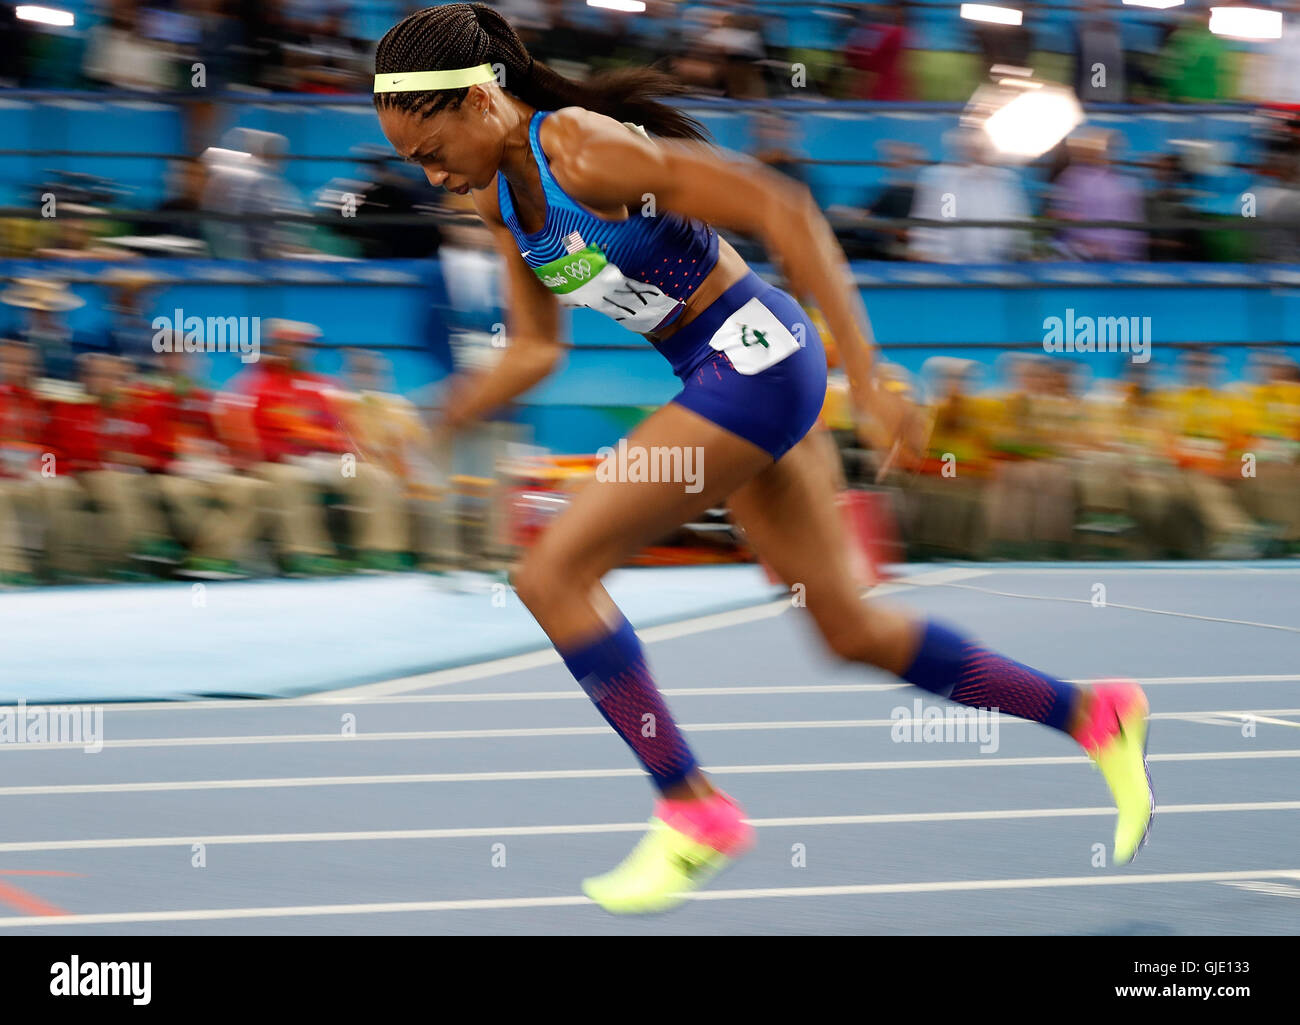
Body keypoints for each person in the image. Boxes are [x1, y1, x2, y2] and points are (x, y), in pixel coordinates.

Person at [371, 2, 1155, 915]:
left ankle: (693, 808)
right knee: (851, 630)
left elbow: (785, 210)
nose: (426, 177)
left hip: (758, 359)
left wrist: (869, 383)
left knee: (550, 571)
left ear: (477, 99)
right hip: (727, 375)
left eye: (426, 151)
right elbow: (535, 352)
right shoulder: (498, 199)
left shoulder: (586, 151)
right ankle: (1091, 713)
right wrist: (432, 418)